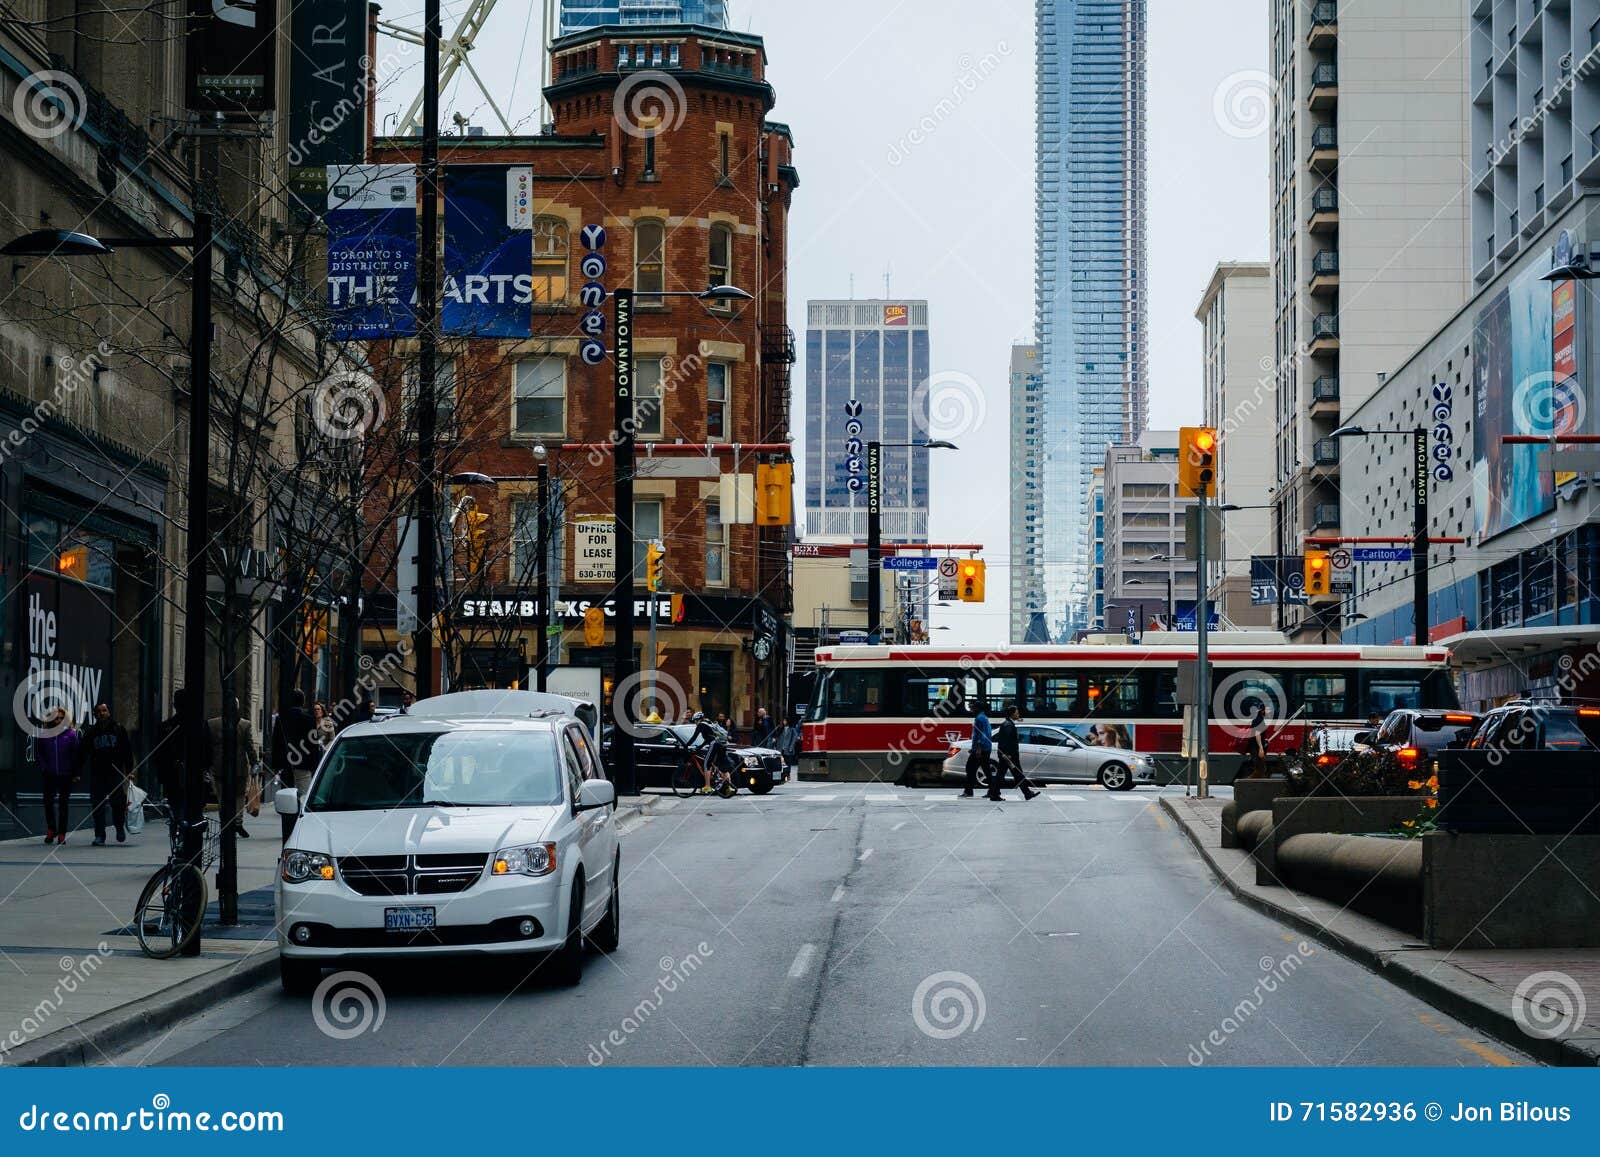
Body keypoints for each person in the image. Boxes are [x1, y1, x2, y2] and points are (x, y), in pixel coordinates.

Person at [208, 697, 260, 839]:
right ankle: (237, 822)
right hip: (239, 767)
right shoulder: (245, 725)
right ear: (237, 707)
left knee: (222, 798)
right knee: (238, 797)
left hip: (218, 767)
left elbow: (208, 747)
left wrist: (207, 765)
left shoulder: (212, 724)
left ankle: (225, 825)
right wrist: (254, 762)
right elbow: (249, 747)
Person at [85, 702, 134, 845]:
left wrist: (129, 771)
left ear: (109, 712)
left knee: (118, 803)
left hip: (115, 772)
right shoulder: (91, 732)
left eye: (104, 710)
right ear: (94, 715)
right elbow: (83, 752)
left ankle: (119, 827)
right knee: (97, 804)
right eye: (99, 711)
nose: (102, 713)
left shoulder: (118, 729)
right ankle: (100, 835)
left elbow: (127, 751)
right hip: (97, 773)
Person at [271, 690, 317, 839]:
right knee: (304, 796)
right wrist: (314, 765)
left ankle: (288, 826)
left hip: (286, 764)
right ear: (302, 702)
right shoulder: (309, 719)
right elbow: (313, 744)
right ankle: (301, 825)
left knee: (288, 796)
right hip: (304, 764)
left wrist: (276, 764)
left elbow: (276, 742)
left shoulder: (281, 719)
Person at [34, 708, 82, 844]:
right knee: (48, 802)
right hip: (49, 774)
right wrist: (44, 768)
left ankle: (61, 833)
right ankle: (51, 829)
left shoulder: (71, 735)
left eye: (61, 718)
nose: (59, 721)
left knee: (63, 804)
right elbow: (40, 754)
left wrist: (76, 773)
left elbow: (75, 756)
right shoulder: (44, 735)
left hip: (65, 775)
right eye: (56, 718)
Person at [993, 704, 1041, 801]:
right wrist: (1007, 754)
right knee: (1011, 774)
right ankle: (994, 794)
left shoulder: (1008, 724)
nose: (1018, 714)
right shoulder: (1008, 725)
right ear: (1012, 714)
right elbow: (1006, 741)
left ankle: (1027, 793)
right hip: (1009, 756)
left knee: (1015, 774)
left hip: (1008, 755)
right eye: (1017, 713)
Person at [688, 711, 729, 793]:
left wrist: (686, 745)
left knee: (706, 763)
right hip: (722, 744)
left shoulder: (701, 725)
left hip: (715, 744)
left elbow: (694, 737)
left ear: (698, 719)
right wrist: (700, 747)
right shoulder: (709, 723)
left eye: (695, 721)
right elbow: (707, 739)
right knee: (723, 765)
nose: (695, 723)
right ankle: (728, 787)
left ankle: (707, 786)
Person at [961, 703, 996, 799]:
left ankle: (968, 791)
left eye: (972, 708)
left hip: (981, 749)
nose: (971, 710)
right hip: (984, 748)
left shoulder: (979, 718)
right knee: (986, 770)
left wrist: (978, 748)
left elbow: (982, 735)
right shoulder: (983, 717)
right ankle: (992, 791)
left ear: (977, 708)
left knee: (970, 769)